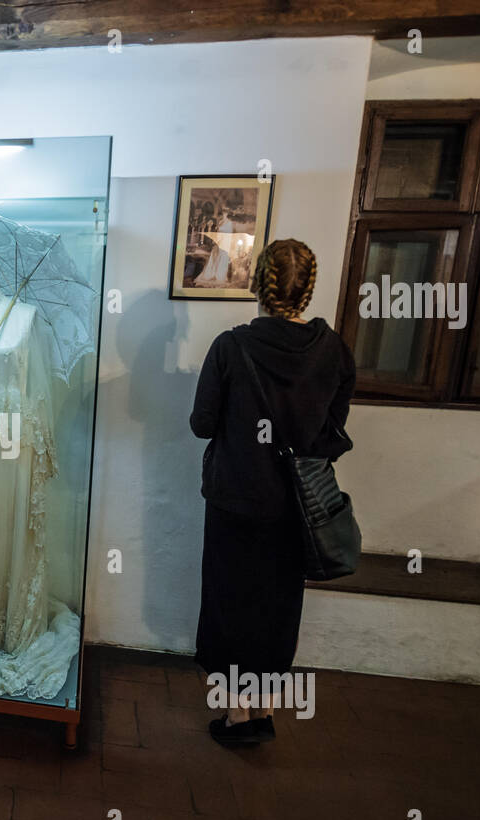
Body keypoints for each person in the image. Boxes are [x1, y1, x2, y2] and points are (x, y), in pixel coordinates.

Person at [188, 238, 356, 746]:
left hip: (236, 500)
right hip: (296, 508)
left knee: (230, 603)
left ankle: (238, 717)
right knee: (279, 607)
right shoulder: (334, 351)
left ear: (259, 285)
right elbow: (332, 435)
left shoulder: (231, 346)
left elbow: (201, 424)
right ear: (308, 289)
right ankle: (262, 708)